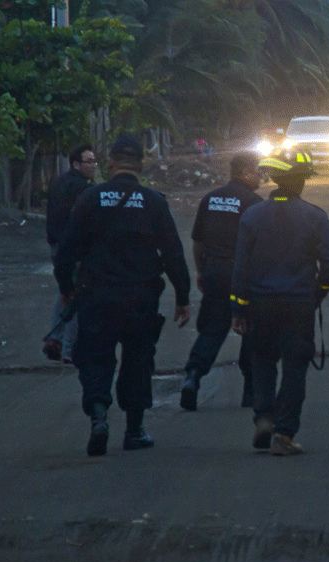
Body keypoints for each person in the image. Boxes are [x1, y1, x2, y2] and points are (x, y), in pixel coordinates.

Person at [54, 135, 191, 456]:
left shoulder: (90, 199)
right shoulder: (154, 202)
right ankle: (134, 430)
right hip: (140, 298)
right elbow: (173, 254)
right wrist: (183, 296)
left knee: (96, 356)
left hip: (97, 296)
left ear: (111, 163)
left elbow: (65, 253)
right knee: (138, 360)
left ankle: (99, 417)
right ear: (141, 166)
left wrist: (66, 289)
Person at [231, 150, 329, 456]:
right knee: (294, 368)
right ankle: (284, 433)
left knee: (263, 361)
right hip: (298, 305)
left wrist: (238, 308)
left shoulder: (252, 216)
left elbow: (240, 267)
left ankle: (264, 417)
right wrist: (317, 293)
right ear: (300, 182)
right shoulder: (315, 216)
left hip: (260, 305)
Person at [179, 152, 265, 411]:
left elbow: (198, 242)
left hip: (214, 272)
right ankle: (250, 391)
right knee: (251, 329)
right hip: (244, 277)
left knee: (212, 330)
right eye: (258, 171)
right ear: (246, 172)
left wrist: (201, 272)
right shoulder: (255, 203)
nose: (262, 176)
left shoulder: (210, 199)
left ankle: (193, 376)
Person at [43, 143, 96, 363]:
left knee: (65, 291)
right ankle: (69, 349)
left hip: (57, 247)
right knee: (76, 294)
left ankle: (55, 339)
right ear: (76, 164)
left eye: (95, 161)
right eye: (89, 162)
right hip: (72, 249)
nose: (93, 165)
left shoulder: (58, 182)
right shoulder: (81, 189)